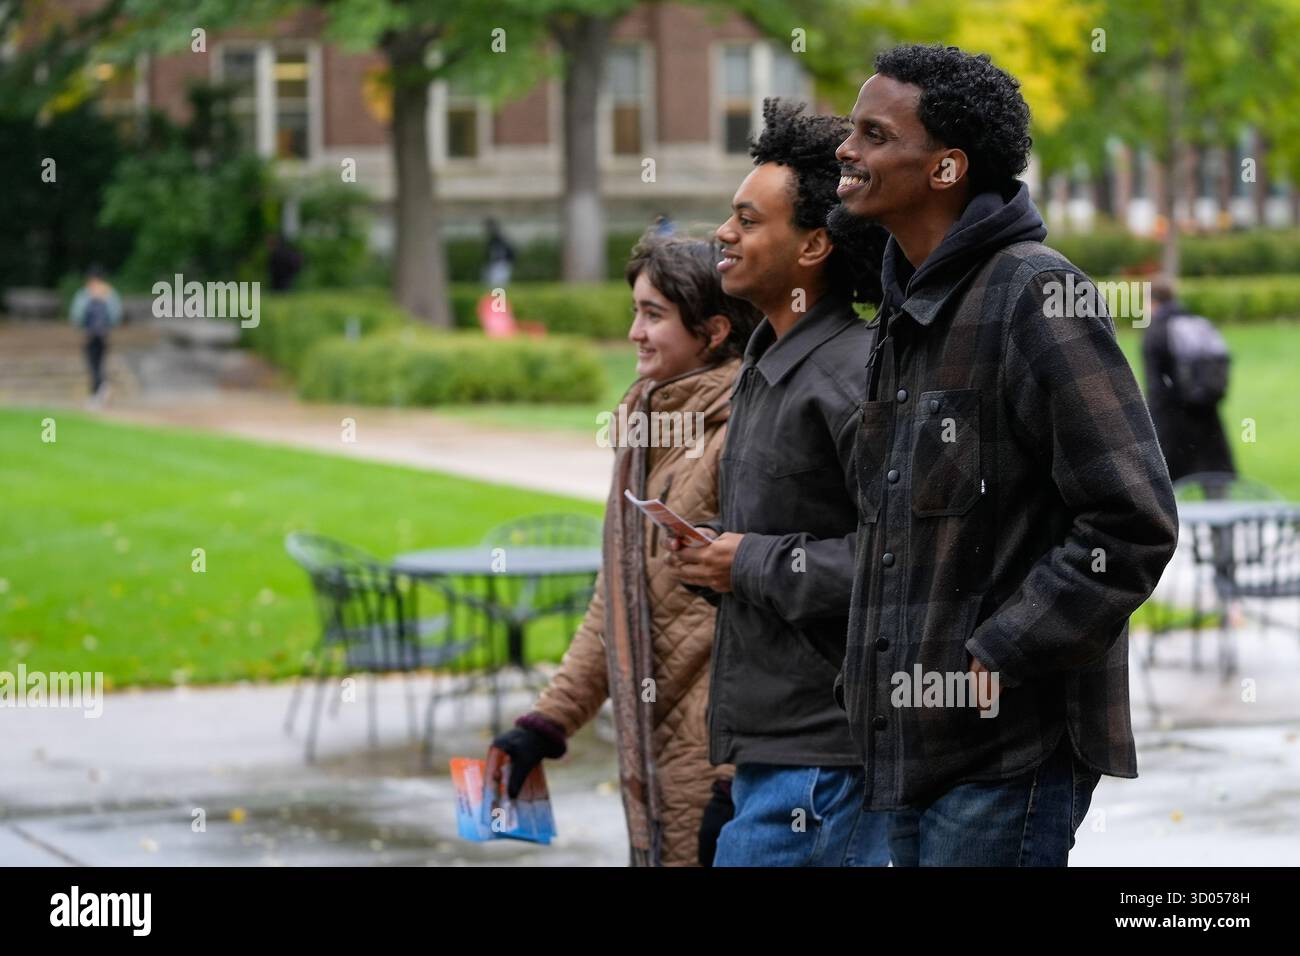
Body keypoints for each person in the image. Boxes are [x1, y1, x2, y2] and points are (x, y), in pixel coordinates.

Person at [832, 44, 1178, 866]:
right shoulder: (903, 305)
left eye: (874, 134)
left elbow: (1132, 521)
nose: (846, 151)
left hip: (1004, 758)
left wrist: (995, 655)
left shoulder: (1034, 292)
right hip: (904, 752)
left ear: (946, 166)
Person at [486, 233, 761, 866]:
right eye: (634, 311)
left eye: (654, 315)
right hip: (660, 756)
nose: (635, 332)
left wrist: (736, 772)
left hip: (725, 763)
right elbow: (621, 599)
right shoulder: (645, 426)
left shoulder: (745, 430)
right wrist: (547, 724)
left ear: (714, 329)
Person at [667, 98, 891, 867]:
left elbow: (902, 561)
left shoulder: (853, 374)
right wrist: (715, 564)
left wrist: (750, 562)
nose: (722, 236)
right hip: (769, 755)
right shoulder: (764, 367)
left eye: (747, 220)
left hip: (825, 766)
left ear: (815, 245)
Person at [1141, 277, 1235, 482]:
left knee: (1169, 481)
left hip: (1172, 419)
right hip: (1207, 415)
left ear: (1152, 302)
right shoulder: (1199, 322)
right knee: (1215, 475)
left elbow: (1155, 385)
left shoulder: (1156, 331)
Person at [69, 265, 123, 407]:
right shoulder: (109, 293)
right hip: (104, 334)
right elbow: (115, 315)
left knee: (93, 364)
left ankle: (99, 389)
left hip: (90, 334)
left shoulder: (86, 293)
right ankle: (98, 391)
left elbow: (77, 314)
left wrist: (80, 327)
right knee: (99, 363)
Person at [482, 217, 516, 288]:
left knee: (498, 286)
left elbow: (509, 252)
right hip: (497, 265)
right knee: (494, 285)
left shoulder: (498, 239)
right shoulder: (495, 239)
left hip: (501, 264)